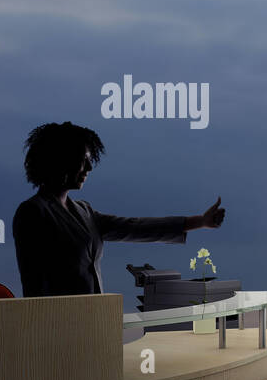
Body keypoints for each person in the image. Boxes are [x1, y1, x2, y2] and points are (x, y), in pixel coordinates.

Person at [12, 121, 225, 297]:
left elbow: (134, 228)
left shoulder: (84, 211)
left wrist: (200, 222)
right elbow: (33, 284)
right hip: (59, 327)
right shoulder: (33, 212)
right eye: (83, 160)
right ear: (63, 159)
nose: (89, 167)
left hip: (94, 319)